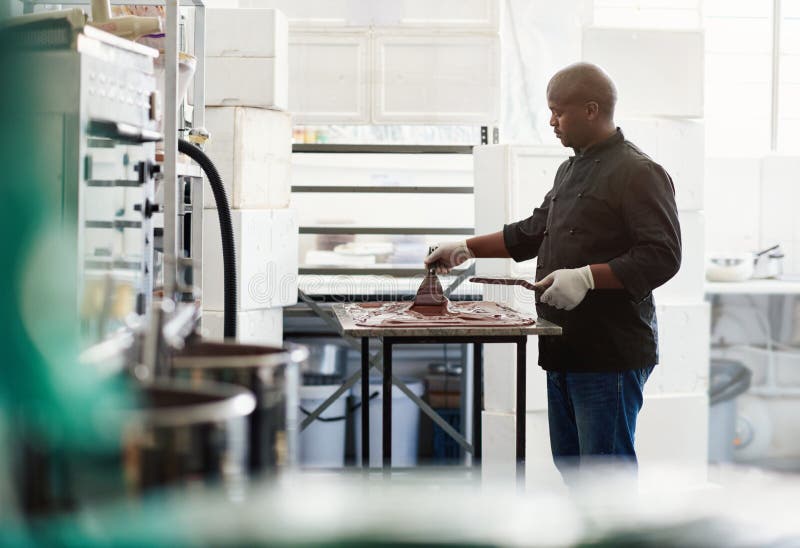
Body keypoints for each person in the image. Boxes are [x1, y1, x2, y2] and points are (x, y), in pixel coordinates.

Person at [425, 62, 681, 479]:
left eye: (558, 111)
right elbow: (532, 232)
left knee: (604, 476)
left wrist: (586, 277)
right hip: (564, 345)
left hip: (609, 351)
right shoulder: (570, 168)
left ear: (591, 110)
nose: (551, 122)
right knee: (573, 469)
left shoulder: (639, 171)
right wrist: (465, 248)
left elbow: (662, 255)